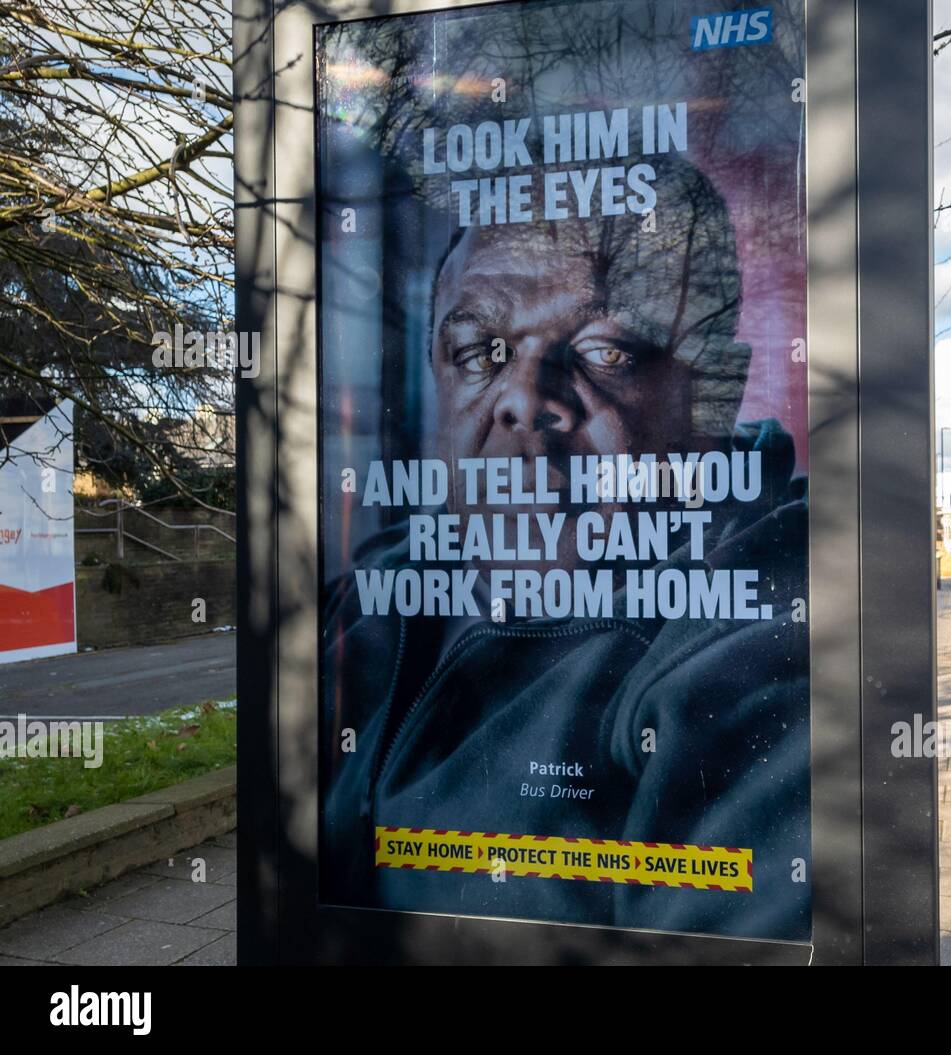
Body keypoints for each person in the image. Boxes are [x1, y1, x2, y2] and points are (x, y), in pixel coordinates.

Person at [320, 156, 810, 942]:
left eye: (606, 350)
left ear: (713, 391)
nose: (521, 394)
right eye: (479, 348)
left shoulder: (762, 636)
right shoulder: (379, 583)